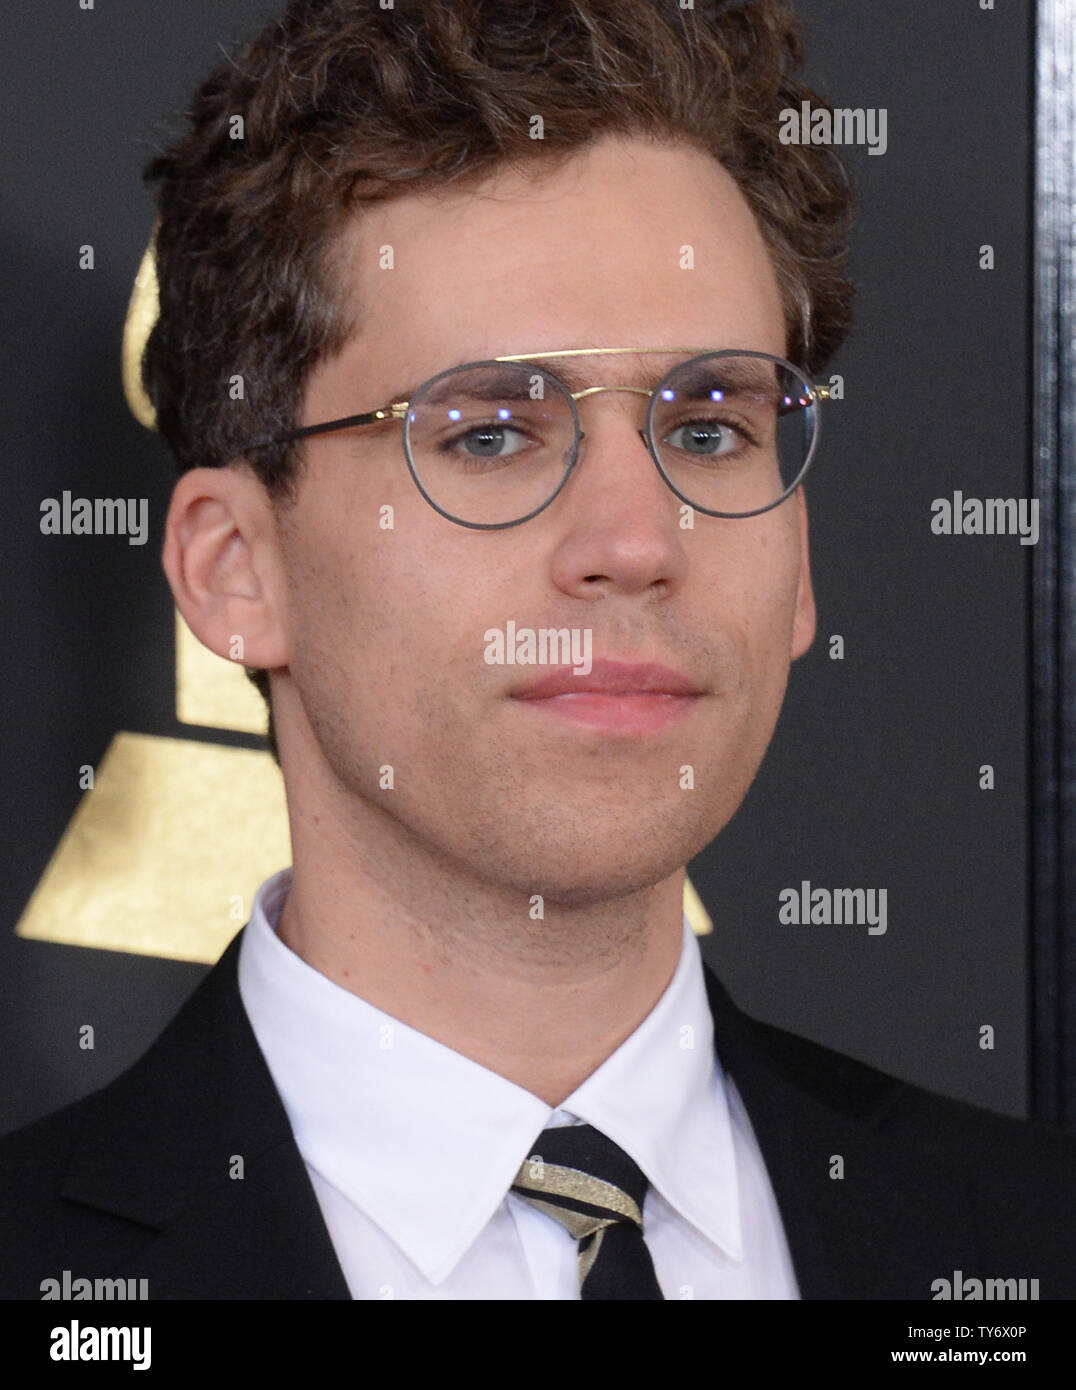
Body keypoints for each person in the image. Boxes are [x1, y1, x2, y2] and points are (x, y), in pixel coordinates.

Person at [1, 0, 1073, 1301]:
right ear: (238, 572)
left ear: (798, 560)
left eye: (708, 428)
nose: (637, 538)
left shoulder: (1025, 1251)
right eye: (492, 433)